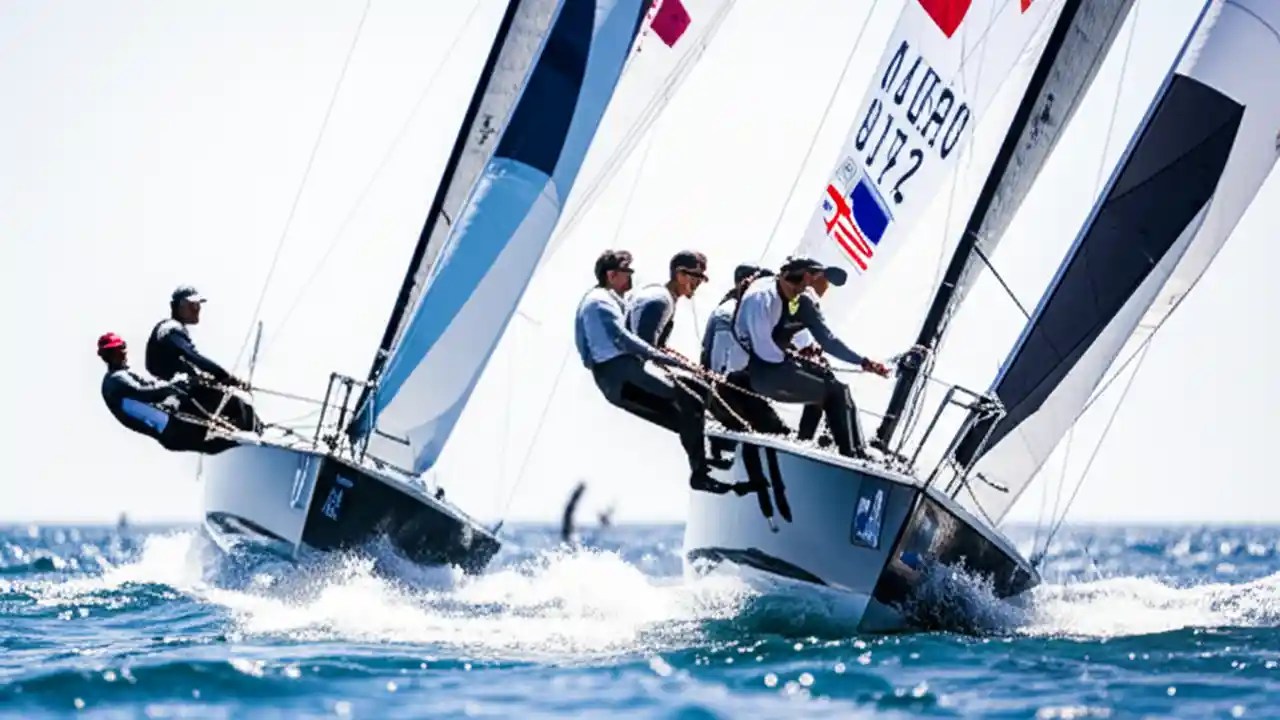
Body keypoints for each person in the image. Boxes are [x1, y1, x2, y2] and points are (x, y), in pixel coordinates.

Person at [574, 249, 731, 493]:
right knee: (692, 396)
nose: (631, 278)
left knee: (684, 414)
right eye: (627, 272)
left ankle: (704, 463)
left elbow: (586, 346)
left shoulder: (605, 299)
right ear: (612, 274)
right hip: (621, 374)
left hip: (614, 378)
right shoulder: (601, 301)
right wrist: (665, 360)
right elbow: (623, 339)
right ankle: (702, 470)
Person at [732, 257, 890, 458]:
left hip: (779, 366)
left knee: (835, 385)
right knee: (832, 394)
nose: (814, 287)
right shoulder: (762, 298)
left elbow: (828, 341)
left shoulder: (802, 300)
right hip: (762, 374)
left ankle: (853, 449)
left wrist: (864, 362)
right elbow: (764, 349)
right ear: (805, 276)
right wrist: (793, 357)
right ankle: (849, 455)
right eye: (815, 279)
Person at [97, 332, 236, 454]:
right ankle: (246, 436)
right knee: (216, 442)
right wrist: (175, 386)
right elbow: (147, 393)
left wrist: (182, 382)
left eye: (122, 347)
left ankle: (240, 431)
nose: (122, 352)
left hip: (171, 428)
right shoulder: (116, 380)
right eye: (114, 350)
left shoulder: (121, 377)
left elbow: (153, 388)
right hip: (172, 429)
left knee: (216, 439)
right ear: (106, 356)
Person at [146, 285, 260, 433]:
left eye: (198, 305)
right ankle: (247, 436)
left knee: (234, 405)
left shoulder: (171, 329)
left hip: (179, 387)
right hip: (178, 390)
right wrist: (225, 376)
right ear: (180, 306)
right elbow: (193, 357)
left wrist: (202, 377)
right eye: (192, 305)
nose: (197, 309)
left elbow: (183, 361)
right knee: (240, 405)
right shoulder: (171, 329)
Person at [626, 250, 708, 348]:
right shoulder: (661, 301)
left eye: (701, 278)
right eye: (696, 276)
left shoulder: (661, 295)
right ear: (680, 274)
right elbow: (644, 348)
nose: (699, 282)